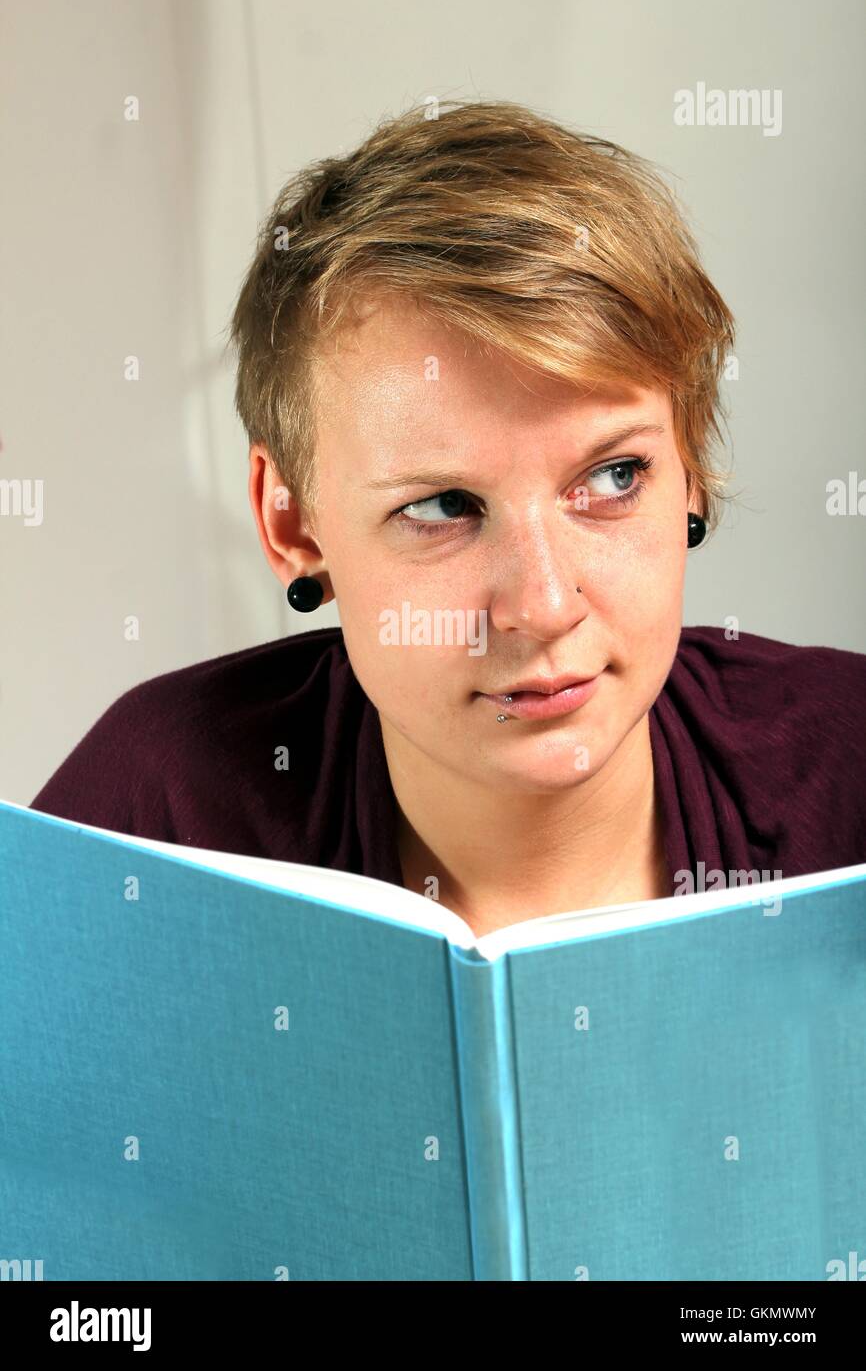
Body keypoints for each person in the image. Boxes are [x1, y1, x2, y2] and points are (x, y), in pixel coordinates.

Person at [30, 99, 866, 937]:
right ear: (293, 526)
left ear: (689, 470)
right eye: (442, 507)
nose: (543, 606)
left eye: (614, 476)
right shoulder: (156, 817)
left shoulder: (848, 769)